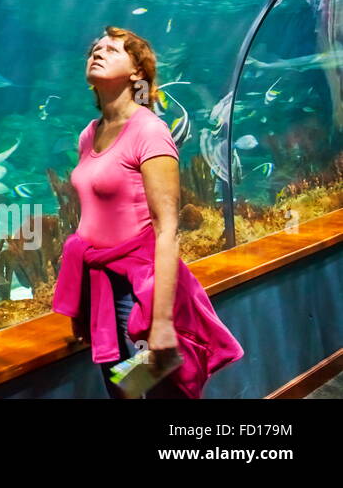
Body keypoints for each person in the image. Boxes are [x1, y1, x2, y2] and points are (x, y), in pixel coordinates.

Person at [51, 26, 243, 398]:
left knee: (160, 391)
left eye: (112, 48)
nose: (98, 51)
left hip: (138, 293)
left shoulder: (150, 132)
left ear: (137, 72)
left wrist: (162, 322)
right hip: (100, 289)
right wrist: (81, 303)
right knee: (122, 391)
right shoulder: (89, 134)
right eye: (95, 47)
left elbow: (167, 229)